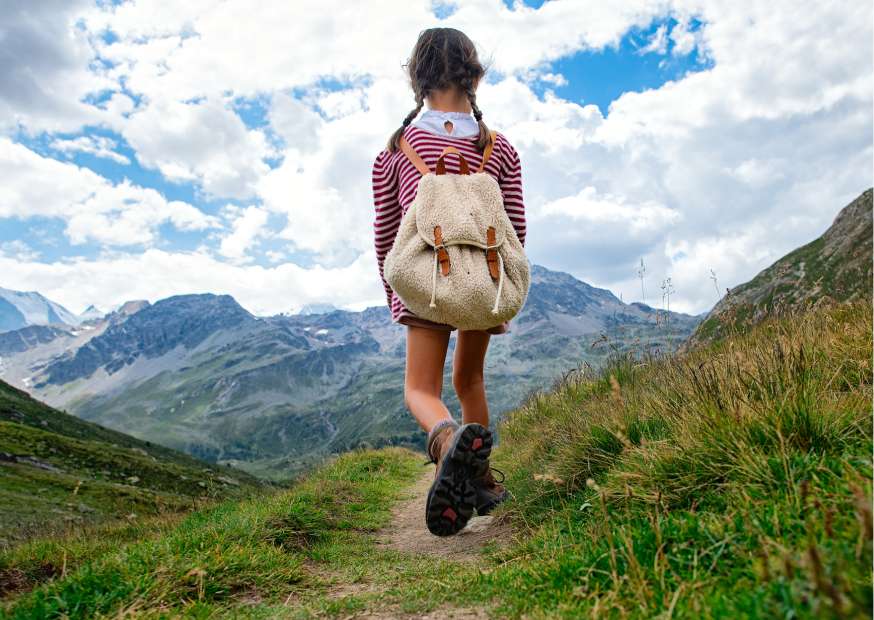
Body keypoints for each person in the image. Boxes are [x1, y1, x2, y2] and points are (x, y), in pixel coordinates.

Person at [371, 27, 526, 536]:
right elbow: (515, 228)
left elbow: (388, 229)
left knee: (419, 388)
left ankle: (446, 442)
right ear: (475, 74)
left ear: (417, 80)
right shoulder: (498, 149)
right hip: (484, 279)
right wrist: (504, 288)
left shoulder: (398, 148)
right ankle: (478, 478)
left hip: (426, 279)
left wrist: (393, 287)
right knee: (470, 380)